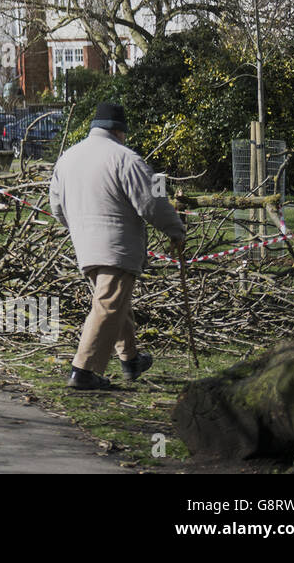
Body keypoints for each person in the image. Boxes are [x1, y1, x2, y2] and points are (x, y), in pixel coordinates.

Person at [49, 101, 186, 390]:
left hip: (85, 245)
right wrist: (176, 229)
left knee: (113, 302)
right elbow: (152, 202)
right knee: (108, 305)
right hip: (118, 246)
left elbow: (57, 207)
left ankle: (131, 359)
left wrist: (80, 228)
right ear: (120, 131)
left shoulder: (68, 158)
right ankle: (83, 371)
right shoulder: (126, 159)